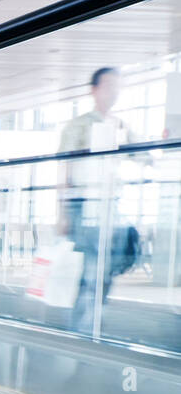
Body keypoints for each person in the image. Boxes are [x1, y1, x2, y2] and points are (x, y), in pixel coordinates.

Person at [57, 67, 141, 334]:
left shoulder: (121, 126)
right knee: (93, 271)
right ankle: (84, 331)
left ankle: (89, 325)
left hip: (111, 209)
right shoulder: (79, 126)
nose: (113, 92)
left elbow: (141, 157)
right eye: (108, 86)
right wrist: (62, 212)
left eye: (117, 87)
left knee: (103, 272)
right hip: (85, 207)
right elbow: (63, 168)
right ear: (93, 90)